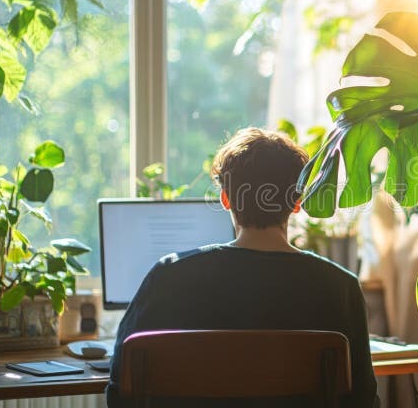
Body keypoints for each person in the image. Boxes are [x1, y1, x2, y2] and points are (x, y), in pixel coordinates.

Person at [106, 128, 379, 408]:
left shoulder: (167, 276)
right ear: (297, 202)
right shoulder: (340, 287)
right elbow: (363, 397)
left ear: (225, 199)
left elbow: (120, 389)